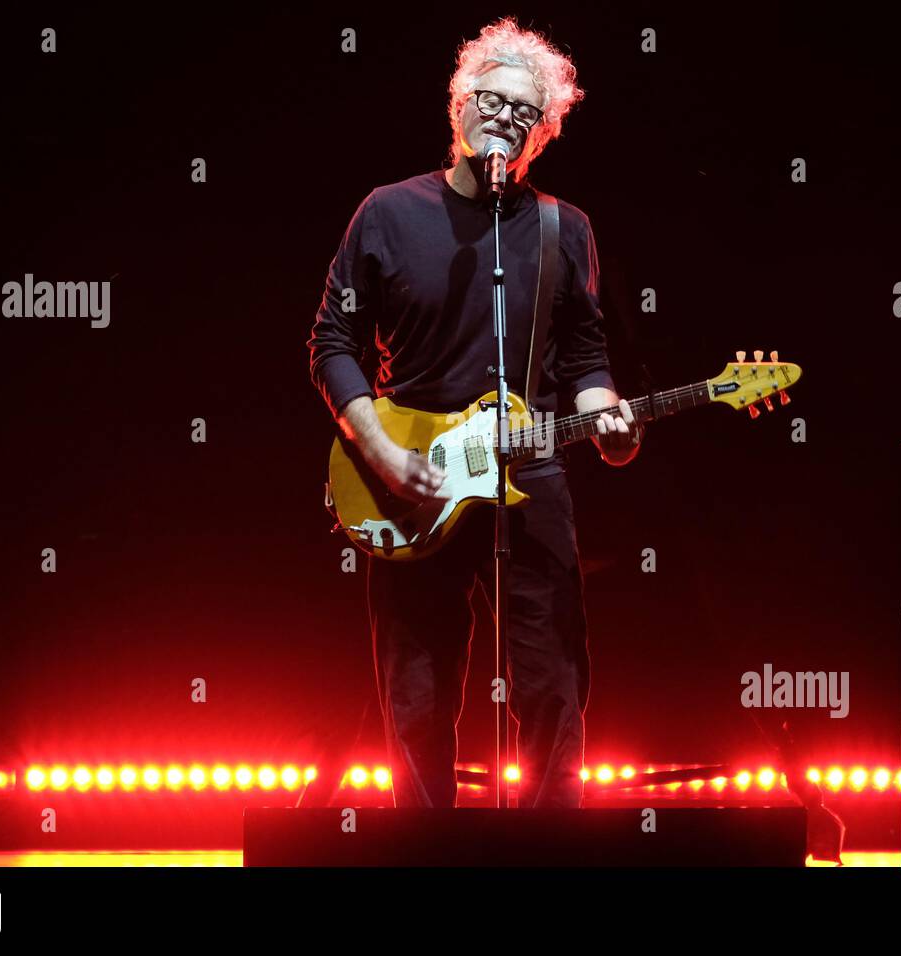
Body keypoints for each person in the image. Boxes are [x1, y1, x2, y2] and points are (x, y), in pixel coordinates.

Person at [307, 17, 642, 808]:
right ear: (457, 105)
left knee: (552, 682)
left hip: (531, 479)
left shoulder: (567, 229)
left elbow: (587, 362)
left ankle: (546, 852)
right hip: (413, 474)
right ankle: (427, 851)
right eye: (488, 98)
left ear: (544, 134)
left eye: (524, 110)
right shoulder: (386, 213)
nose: (502, 115)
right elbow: (331, 343)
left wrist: (610, 421)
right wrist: (385, 453)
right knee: (417, 690)